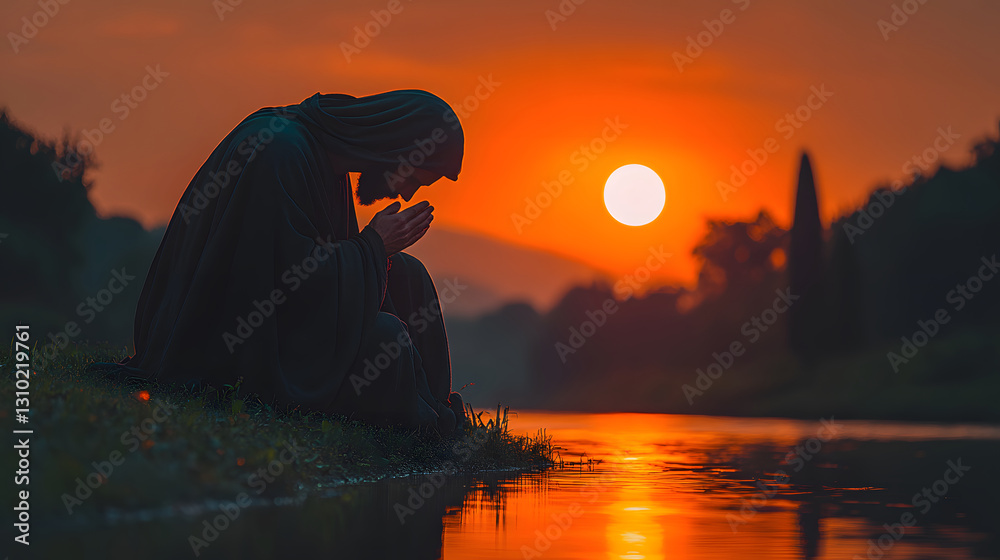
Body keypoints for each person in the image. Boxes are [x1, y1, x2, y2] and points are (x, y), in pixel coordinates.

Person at [114, 90, 468, 434]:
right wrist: (373, 246)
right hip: (235, 345)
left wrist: (376, 252)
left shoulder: (325, 155)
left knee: (410, 276)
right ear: (396, 148)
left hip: (285, 323)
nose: (407, 194)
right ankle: (425, 428)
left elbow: (319, 264)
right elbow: (280, 285)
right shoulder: (279, 152)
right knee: (385, 338)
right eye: (413, 180)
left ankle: (434, 411)